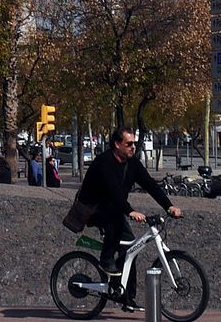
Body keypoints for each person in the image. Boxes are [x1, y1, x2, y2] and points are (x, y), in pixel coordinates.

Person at [72, 127, 182, 310]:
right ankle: (106, 260)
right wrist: (130, 211)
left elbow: (150, 185)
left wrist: (169, 206)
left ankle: (126, 296)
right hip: (93, 208)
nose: (133, 147)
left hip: (114, 206)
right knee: (113, 221)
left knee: (131, 248)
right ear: (117, 144)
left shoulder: (132, 164)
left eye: (134, 143)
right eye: (129, 144)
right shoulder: (104, 162)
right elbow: (113, 191)